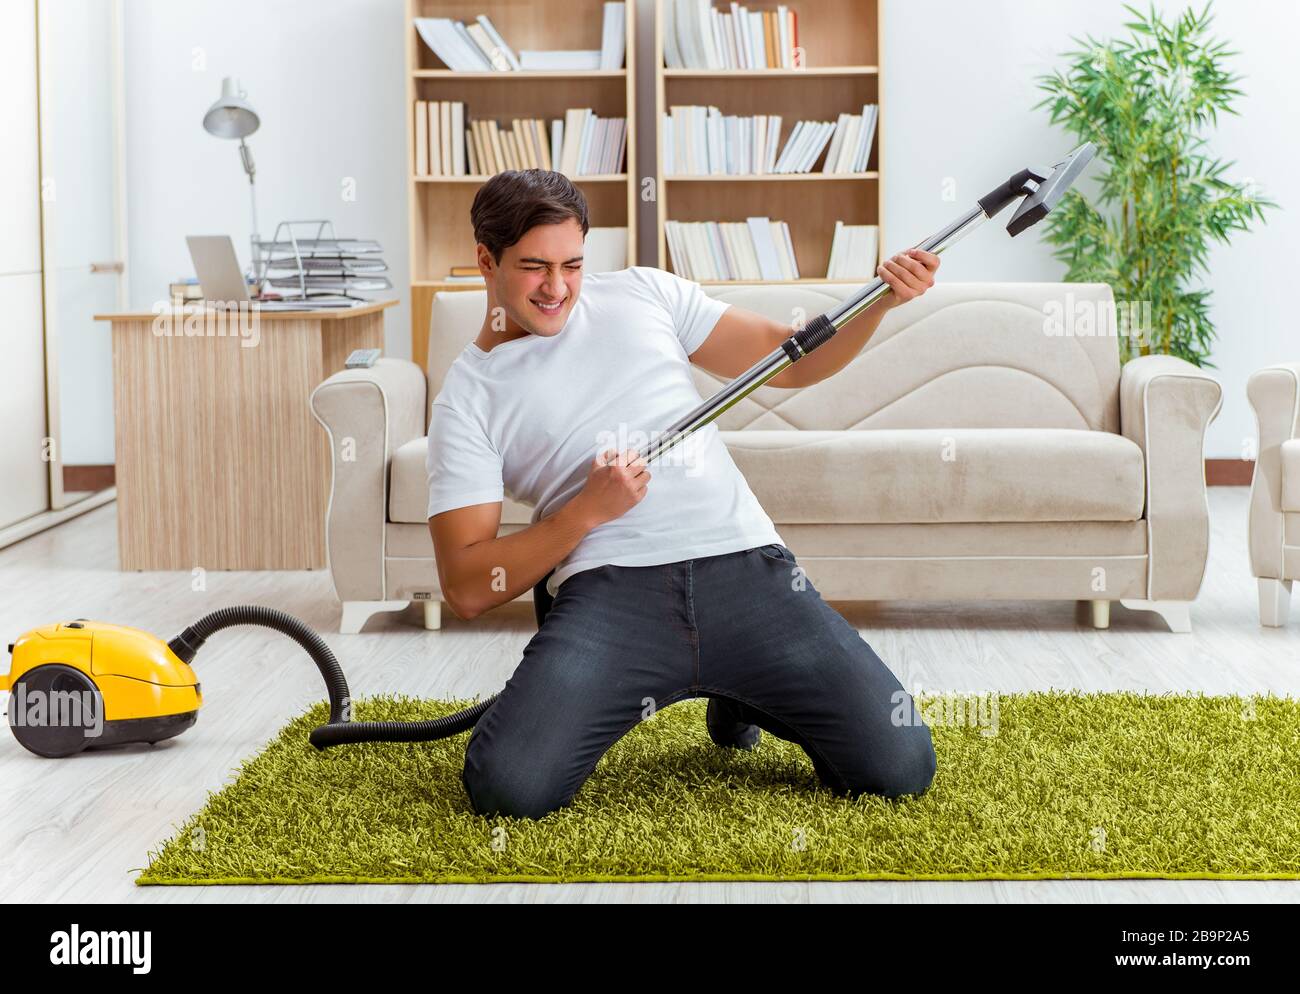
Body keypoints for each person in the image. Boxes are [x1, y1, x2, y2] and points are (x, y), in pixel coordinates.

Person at [426, 168, 942, 819]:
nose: (558, 288)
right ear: (485, 260)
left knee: (899, 766)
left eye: (573, 264)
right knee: (509, 789)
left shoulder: (645, 293)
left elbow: (790, 358)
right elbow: (469, 585)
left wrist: (883, 301)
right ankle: (738, 680)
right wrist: (587, 511)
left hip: (746, 566)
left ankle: (743, 689)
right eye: (534, 268)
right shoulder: (468, 399)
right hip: (611, 594)